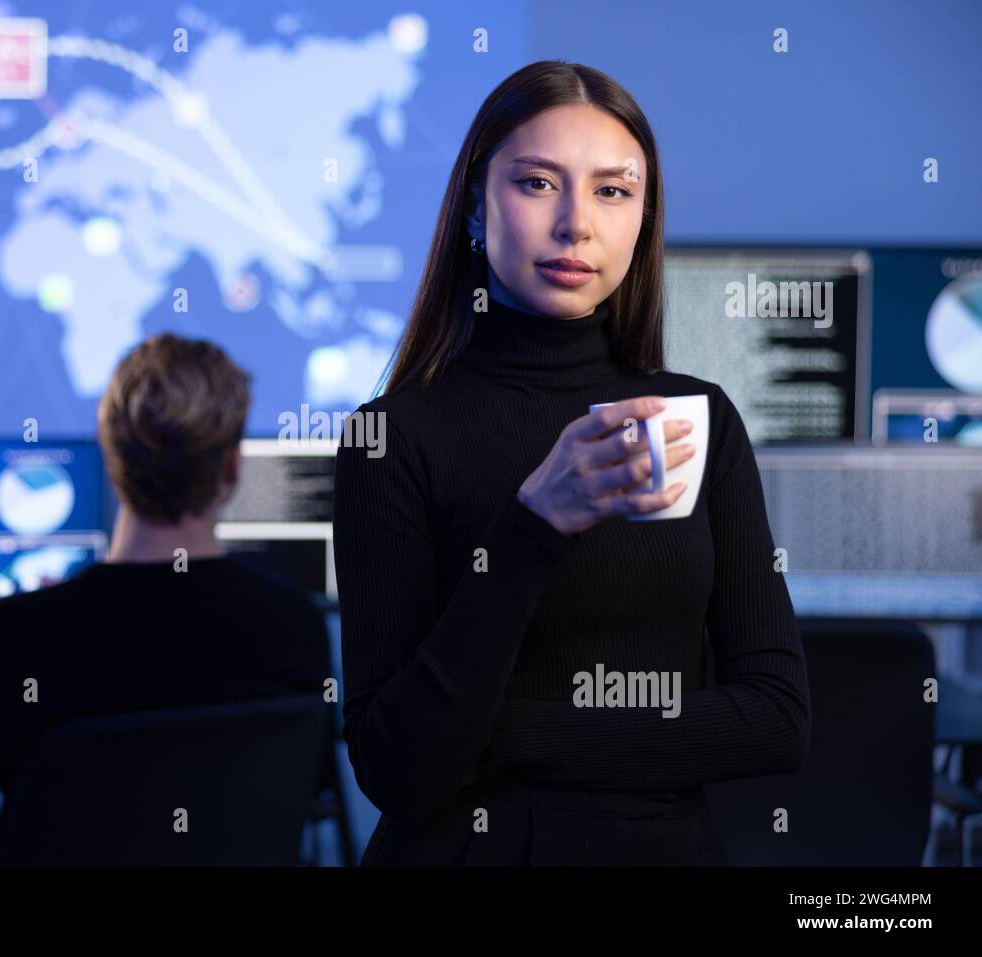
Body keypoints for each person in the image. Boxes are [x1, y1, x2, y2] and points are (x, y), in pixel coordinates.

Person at [332, 60, 811, 866]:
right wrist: (534, 525)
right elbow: (400, 764)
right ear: (476, 213)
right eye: (537, 183)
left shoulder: (696, 421)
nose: (576, 224)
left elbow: (775, 719)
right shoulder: (390, 437)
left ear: (641, 221)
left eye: (612, 191)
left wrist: (492, 734)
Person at [0, 333, 332, 863]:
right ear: (232, 468)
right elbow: (311, 787)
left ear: (109, 455)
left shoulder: (10, 636)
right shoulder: (295, 629)